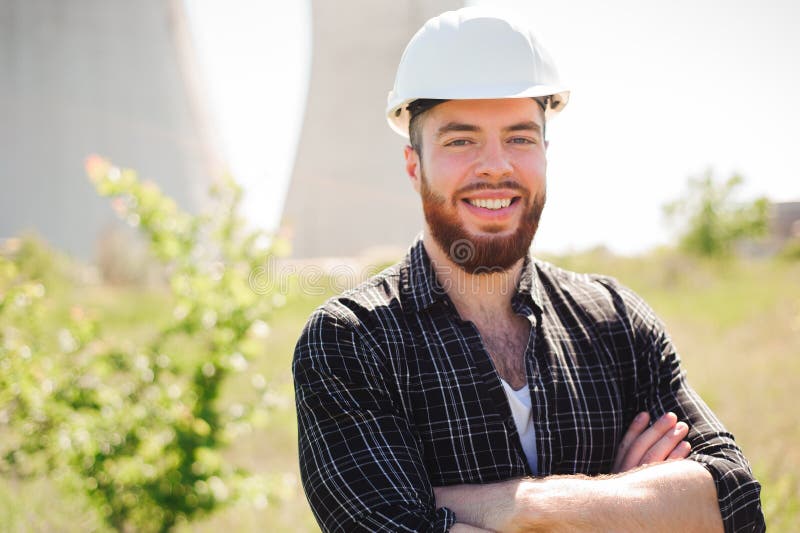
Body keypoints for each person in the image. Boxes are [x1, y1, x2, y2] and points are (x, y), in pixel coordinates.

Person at [293, 7, 764, 532]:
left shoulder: (616, 322)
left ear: (545, 152)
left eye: (519, 137)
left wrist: (512, 511)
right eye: (460, 140)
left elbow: (735, 501)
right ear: (413, 166)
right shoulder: (351, 343)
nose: (495, 165)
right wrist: (635, 505)